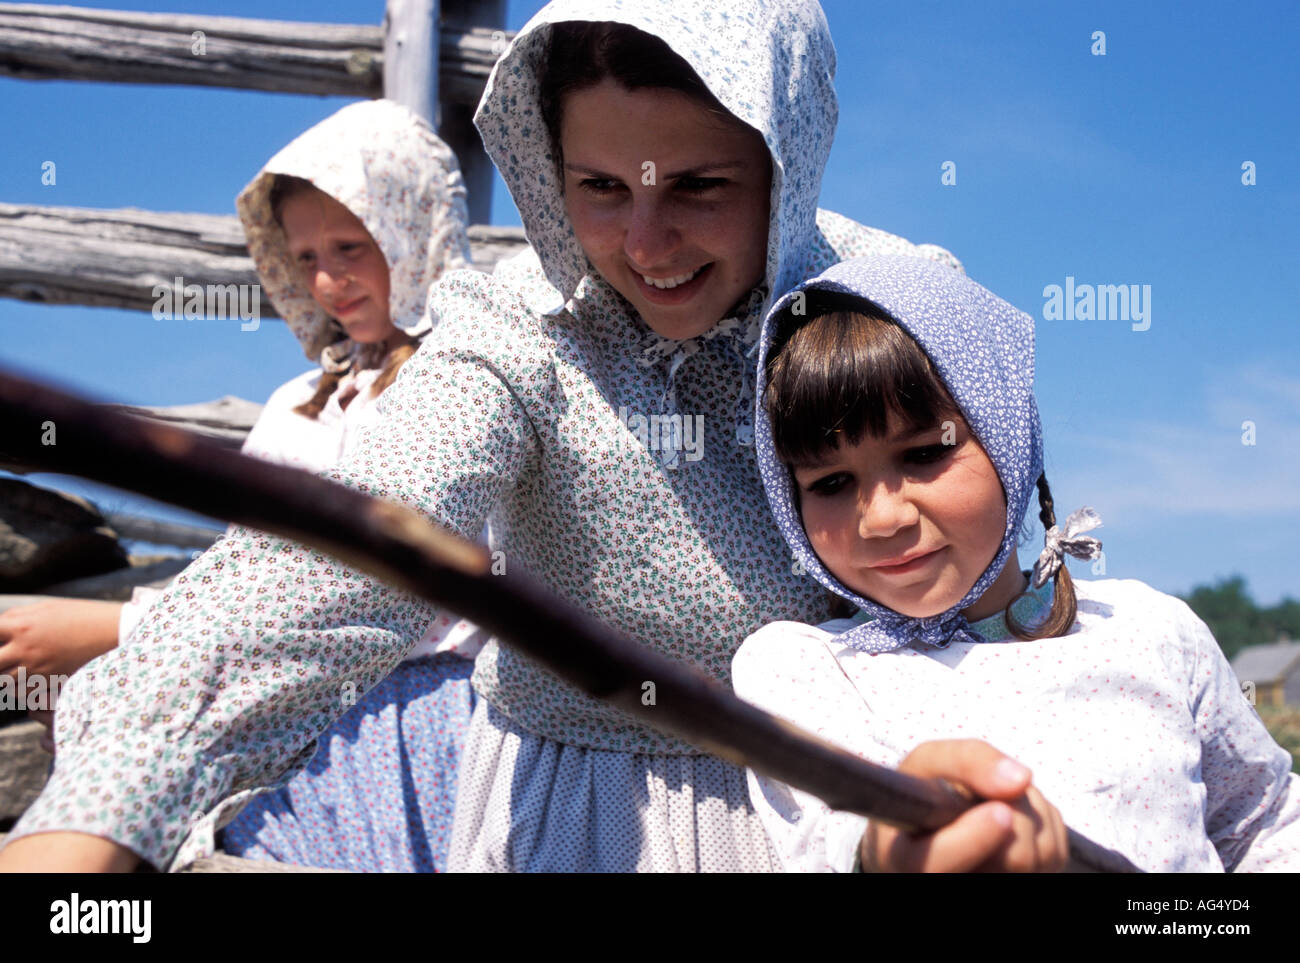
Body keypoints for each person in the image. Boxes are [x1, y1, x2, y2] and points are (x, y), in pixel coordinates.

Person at [0, 1, 1058, 873]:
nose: (645, 244)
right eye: (599, 188)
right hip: (574, 822)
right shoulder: (518, 332)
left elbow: (995, 555)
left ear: (785, 164)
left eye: (699, 186)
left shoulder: (886, 307)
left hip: (843, 812)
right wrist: (102, 810)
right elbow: (333, 560)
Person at [1, 99, 485, 872]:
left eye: (349, 245)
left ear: (409, 223)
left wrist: (114, 627)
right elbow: (244, 580)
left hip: (422, 707)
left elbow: (392, 586)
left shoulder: (470, 387)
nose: (327, 280)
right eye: (303, 258)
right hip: (285, 709)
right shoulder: (294, 409)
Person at [732, 252, 1300, 872]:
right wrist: (891, 848)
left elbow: (1265, 823)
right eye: (832, 483)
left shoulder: (1153, 631)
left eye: (923, 454)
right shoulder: (802, 670)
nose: (881, 519)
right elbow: (832, 840)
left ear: (1010, 440)